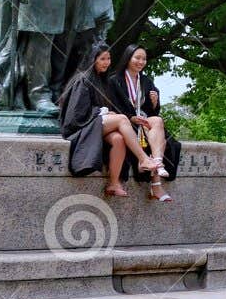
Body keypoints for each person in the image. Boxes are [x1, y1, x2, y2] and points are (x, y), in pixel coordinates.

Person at [58, 44, 163, 194]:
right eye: (102, 59)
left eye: (108, 58)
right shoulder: (83, 79)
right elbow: (77, 113)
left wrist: (108, 113)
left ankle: (113, 184)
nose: (106, 62)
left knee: (118, 139)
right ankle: (144, 159)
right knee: (121, 119)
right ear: (92, 60)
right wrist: (105, 112)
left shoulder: (103, 80)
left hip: (96, 123)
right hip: (80, 126)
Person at [114, 44, 181, 200]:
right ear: (128, 58)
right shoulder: (115, 80)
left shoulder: (146, 81)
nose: (141, 61)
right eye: (137, 57)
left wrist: (154, 102)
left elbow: (153, 111)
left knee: (157, 120)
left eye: (144, 59)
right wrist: (131, 117)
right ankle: (156, 185)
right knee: (155, 140)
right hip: (126, 121)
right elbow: (112, 106)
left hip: (143, 119)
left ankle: (157, 160)